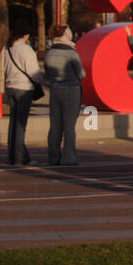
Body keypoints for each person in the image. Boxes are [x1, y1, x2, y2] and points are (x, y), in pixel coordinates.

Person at [1, 22, 43, 166]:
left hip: (10, 87)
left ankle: (13, 156)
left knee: (13, 124)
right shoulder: (26, 50)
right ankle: (19, 158)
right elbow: (34, 73)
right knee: (20, 125)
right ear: (26, 35)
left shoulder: (8, 48)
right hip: (24, 89)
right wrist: (44, 81)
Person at [43, 24, 85, 166]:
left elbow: (47, 75)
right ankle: (69, 156)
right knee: (69, 126)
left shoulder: (49, 53)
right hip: (71, 90)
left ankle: (53, 156)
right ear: (67, 35)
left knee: (55, 125)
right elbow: (81, 74)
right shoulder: (71, 53)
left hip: (55, 91)